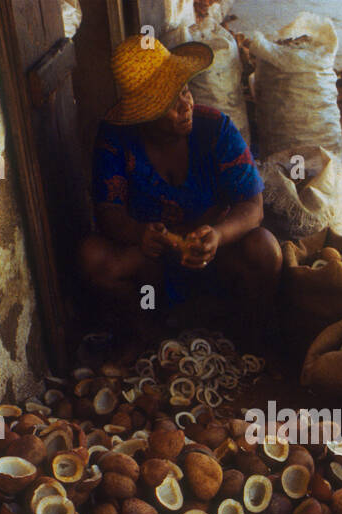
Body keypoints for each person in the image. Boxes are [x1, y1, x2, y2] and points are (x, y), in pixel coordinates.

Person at [80, 35, 282, 335]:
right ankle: (144, 332)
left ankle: (247, 336)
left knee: (265, 249)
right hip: (154, 264)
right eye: (170, 104)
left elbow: (253, 206)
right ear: (144, 115)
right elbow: (109, 213)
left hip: (214, 254)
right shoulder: (115, 139)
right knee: (93, 258)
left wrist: (218, 234)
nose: (186, 106)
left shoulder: (215, 130)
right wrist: (139, 233)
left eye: (186, 92)